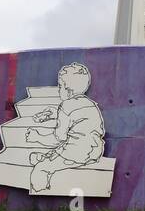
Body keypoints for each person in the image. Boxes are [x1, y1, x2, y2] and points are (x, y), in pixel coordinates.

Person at [25, 63, 107, 194]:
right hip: (96, 150)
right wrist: (54, 113)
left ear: (68, 90)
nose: (58, 89)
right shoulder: (90, 104)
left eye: (60, 86)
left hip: (77, 153)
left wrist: (37, 137)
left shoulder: (66, 106)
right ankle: (47, 157)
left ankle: (40, 193)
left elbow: (58, 138)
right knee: (72, 142)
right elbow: (78, 120)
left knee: (40, 169)